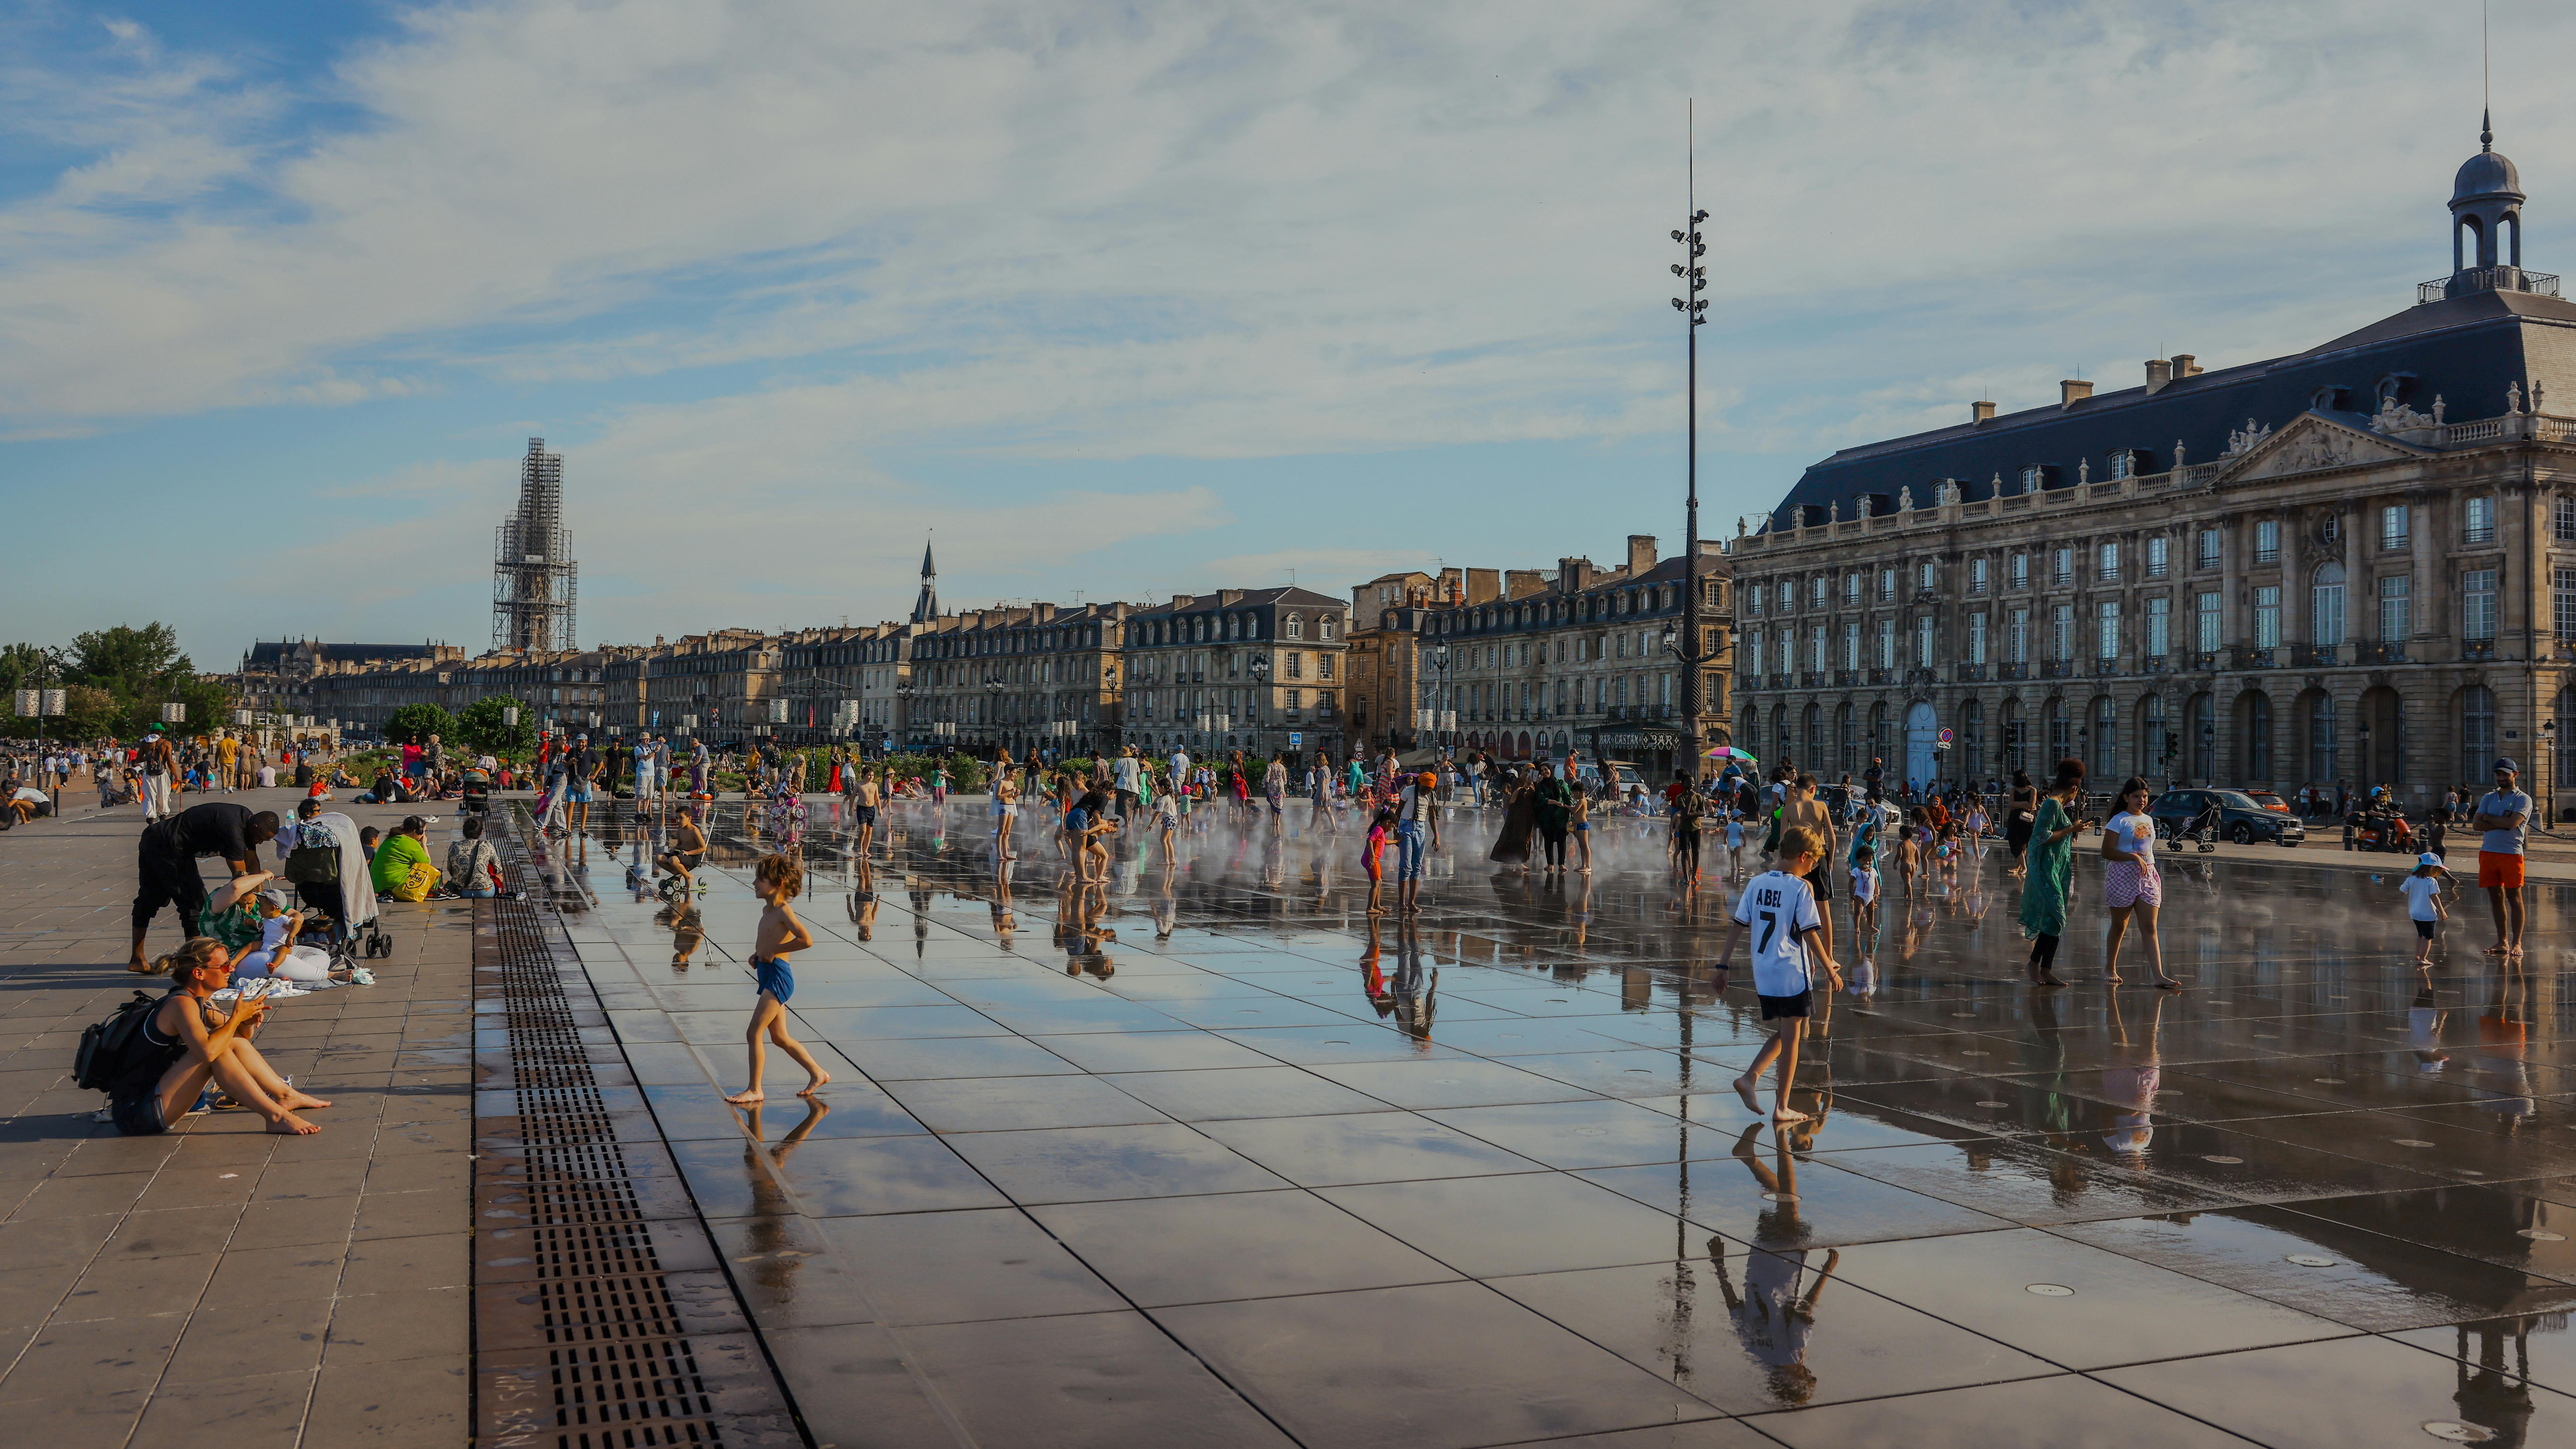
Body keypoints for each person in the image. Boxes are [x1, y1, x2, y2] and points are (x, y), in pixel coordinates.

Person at [108, 937, 326, 1136]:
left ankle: (286, 1096)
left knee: (227, 1042)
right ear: (199, 973)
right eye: (223, 966)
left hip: (160, 1098)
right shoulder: (181, 1005)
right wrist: (236, 1018)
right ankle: (276, 1116)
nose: (230, 969)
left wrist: (245, 1021)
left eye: (229, 963)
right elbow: (209, 1052)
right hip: (138, 1113)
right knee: (215, 1052)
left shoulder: (201, 1002)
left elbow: (241, 1038)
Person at [1713, 825, 1840, 1122]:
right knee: (1793, 1037)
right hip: (1791, 971)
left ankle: (1750, 1078)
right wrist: (1829, 968)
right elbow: (1810, 935)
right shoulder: (1800, 889)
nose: (1812, 869)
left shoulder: (1756, 883)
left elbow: (1737, 926)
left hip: (1765, 970)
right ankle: (1782, 1106)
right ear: (1804, 856)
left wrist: (1723, 966)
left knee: (1786, 1031)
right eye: (1813, 863)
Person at [724, 854, 831, 1105]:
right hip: (768, 972)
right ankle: (818, 1074)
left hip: (778, 979)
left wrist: (772, 953)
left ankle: (755, 1089)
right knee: (780, 1037)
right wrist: (758, 955)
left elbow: (806, 940)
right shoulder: (768, 910)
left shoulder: (784, 911)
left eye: (760, 880)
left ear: (779, 883)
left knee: (754, 1033)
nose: (754, 884)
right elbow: (770, 941)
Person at [128, 801, 282, 974]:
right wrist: (249, 902)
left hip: (158, 840)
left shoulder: (247, 820)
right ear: (254, 827)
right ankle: (191, 966)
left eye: (265, 840)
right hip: (168, 846)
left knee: (150, 899)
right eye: (261, 838)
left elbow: (253, 862)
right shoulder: (232, 827)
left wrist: (259, 898)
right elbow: (240, 876)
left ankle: (138, 960)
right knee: (195, 905)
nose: (261, 843)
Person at [2100, 776, 2179, 989]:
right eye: (2136, 797)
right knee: (2120, 925)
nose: (2141, 801)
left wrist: (2142, 860)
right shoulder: (2119, 820)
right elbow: (2107, 851)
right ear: (2126, 797)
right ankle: (2110, 967)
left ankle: (2159, 975)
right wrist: (2132, 857)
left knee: (2150, 927)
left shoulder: (2149, 819)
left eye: (2144, 797)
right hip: (2122, 875)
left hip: (2148, 875)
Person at [2020, 758, 2088, 987]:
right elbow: (2041, 837)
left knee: (2055, 920)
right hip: (2045, 870)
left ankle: (2046, 969)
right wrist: (2072, 828)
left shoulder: (2057, 805)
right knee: (2056, 918)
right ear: (2074, 789)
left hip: (2054, 870)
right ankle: (2034, 964)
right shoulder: (2051, 804)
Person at [2471, 758, 2531, 958]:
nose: (2502, 778)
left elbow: (2513, 823)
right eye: (2499, 774)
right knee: (2496, 898)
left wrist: (2490, 819)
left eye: (2506, 774)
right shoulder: (2489, 797)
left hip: (2511, 853)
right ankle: (2502, 942)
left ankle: (2517, 943)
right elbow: (2477, 825)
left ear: (2516, 774)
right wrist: (2501, 822)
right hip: (2489, 852)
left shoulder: (2524, 799)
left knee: (2515, 898)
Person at [370, 816, 439, 900]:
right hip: (394, 883)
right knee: (432, 874)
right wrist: (424, 844)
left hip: (377, 884)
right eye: (423, 832)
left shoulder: (392, 839)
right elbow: (427, 863)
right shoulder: (412, 844)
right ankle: (433, 891)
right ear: (416, 832)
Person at [2401, 851, 2451, 966]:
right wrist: (2442, 911)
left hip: (2414, 913)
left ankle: (2418, 955)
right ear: (2433, 868)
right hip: (2428, 914)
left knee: (2420, 935)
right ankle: (2423, 958)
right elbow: (2434, 897)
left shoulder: (2411, 879)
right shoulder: (2431, 881)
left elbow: (2402, 891)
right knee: (2428, 937)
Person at [1394, 770, 1431, 915]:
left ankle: (1412, 903)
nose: (1428, 791)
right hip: (1406, 827)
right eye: (1427, 789)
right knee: (1406, 866)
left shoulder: (1431, 796)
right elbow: (1399, 811)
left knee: (1417, 866)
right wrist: (1395, 829)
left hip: (1421, 829)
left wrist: (1437, 835)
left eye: (1431, 789)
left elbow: (1433, 817)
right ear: (1420, 784)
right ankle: (1401, 902)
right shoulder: (1408, 791)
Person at [447, 816, 504, 898]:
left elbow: (451, 870)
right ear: (481, 832)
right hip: (484, 892)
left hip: (462, 892)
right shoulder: (486, 846)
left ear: (464, 832)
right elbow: (498, 868)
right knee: (491, 867)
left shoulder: (454, 846)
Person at [1849, 843, 1880, 960]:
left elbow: (1876, 882)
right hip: (1860, 895)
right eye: (1864, 860)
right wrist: (1852, 894)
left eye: (1870, 860)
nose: (1867, 863)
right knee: (1858, 911)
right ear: (1858, 860)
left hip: (1871, 896)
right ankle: (1857, 927)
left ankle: (1871, 926)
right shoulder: (1856, 871)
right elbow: (1851, 882)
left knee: (1871, 911)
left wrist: (1877, 892)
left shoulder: (1873, 871)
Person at [1363, 805, 1394, 915]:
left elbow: (1386, 842)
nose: (1392, 829)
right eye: (1393, 826)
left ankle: (1377, 905)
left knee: (1379, 882)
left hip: (1374, 859)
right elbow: (1370, 841)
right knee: (1376, 883)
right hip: (1373, 860)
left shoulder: (1381, 830)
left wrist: (1398, 841)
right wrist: (1372, 856)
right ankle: (1370, 907)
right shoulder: (1379, 830)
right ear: (1388, 822)